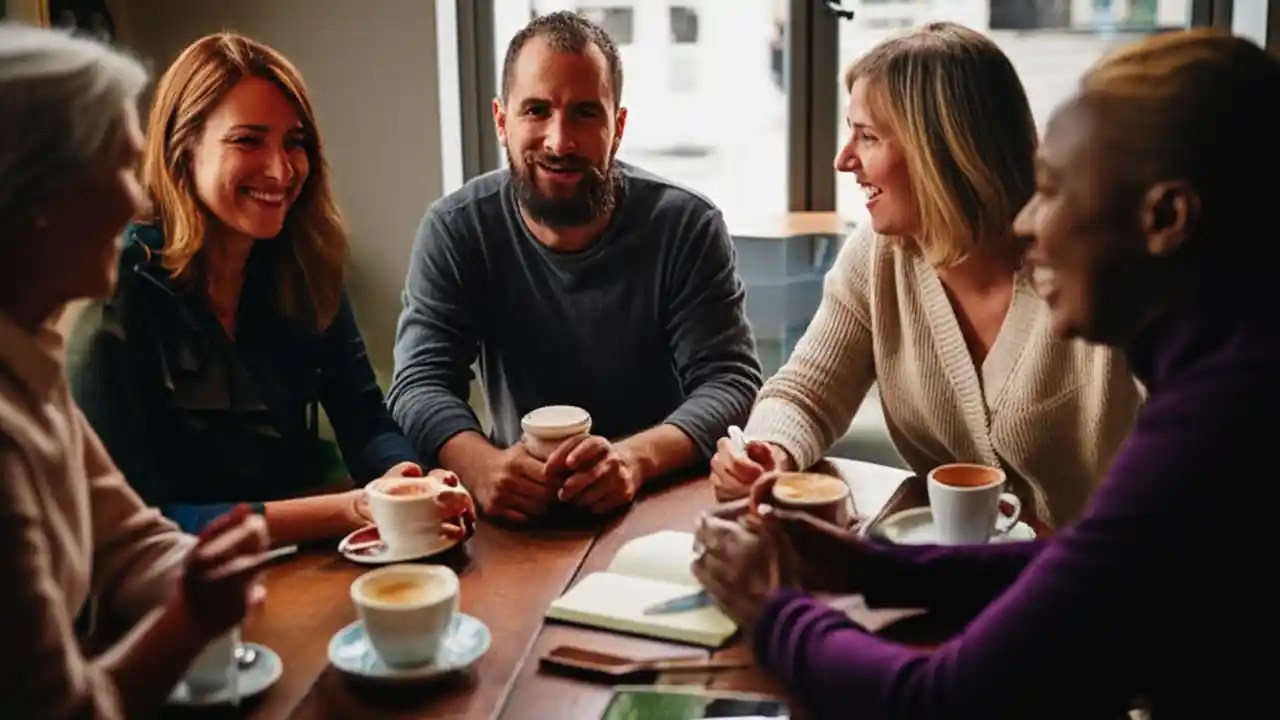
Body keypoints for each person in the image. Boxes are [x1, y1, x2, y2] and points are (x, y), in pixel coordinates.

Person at [692, 27, 1274, 719]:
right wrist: (864, 567)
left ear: (1168, 217)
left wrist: (772, 610)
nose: (1029, 224)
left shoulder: (1221, 423)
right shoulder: (1233, 370)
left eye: (1054, 190)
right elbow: (1088, 563)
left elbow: (946, 702)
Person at [710, 22, 1143, 530]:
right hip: (951, 569)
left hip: (1098, 582)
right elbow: (805, 393)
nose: (843, 160)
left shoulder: (1089, 275)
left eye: (867, 136)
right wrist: (769, 451)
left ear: (942, 150)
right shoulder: (878, 256)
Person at [66, 32, 475, 544]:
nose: (281, 169)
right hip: (169, 595)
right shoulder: (114, 297)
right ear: (183, 148)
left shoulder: (306, 264)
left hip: (295, 565)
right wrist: (348, 510)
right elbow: (134, 525)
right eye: (248, 140)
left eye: (294, 141)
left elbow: (367, 421)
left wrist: (407, 481)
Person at [388, 11, 762, 524]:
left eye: (585, 113)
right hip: (518, 499)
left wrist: (634, 459)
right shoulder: (457, 228)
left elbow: (730, 381)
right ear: (502, 121)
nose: (560, 141)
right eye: (536, 110)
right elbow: (419, 382)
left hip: (659, 499)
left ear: (618, 126)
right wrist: (482, 466)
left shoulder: (686, 226)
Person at [0, 23, 271, 717]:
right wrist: (192, 614)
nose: (140, 201)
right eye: (119, 169)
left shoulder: (31, 364)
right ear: (36, 197)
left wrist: (222, 569)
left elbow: (127, 541)